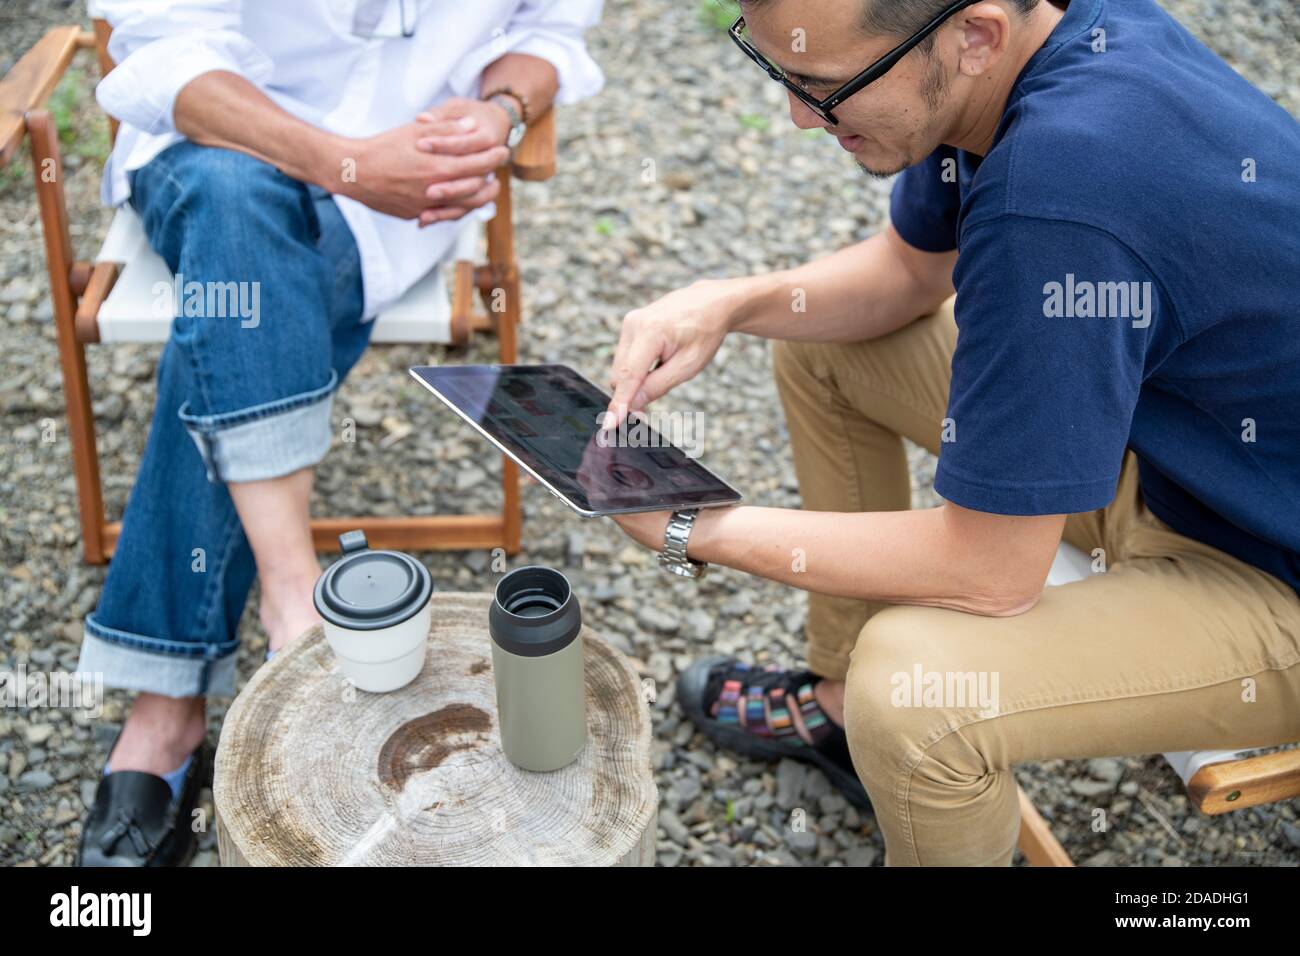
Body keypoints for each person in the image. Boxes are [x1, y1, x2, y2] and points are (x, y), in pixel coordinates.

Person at [603, 0, 1300, 865]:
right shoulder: (1052, 37)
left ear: (974, 36)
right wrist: (729, 302)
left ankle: (889, 735)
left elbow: (990, 572)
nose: (795, 115)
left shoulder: (1054, 199)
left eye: (824, 87)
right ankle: (835, 704)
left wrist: (695, 526)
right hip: (1181, 456)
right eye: (778, 72)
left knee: (910, 693)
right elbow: (904, 275)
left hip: (1267, 566)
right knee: (830, 354)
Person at [75, 0, 603, 867]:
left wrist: (500, 111)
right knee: (237, 204)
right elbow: (168, 47)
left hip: (397, 209)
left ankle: (163, 711)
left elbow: (551, 31)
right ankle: (293, 597)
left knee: (241, 305)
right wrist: (346, 162)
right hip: (217, 151)